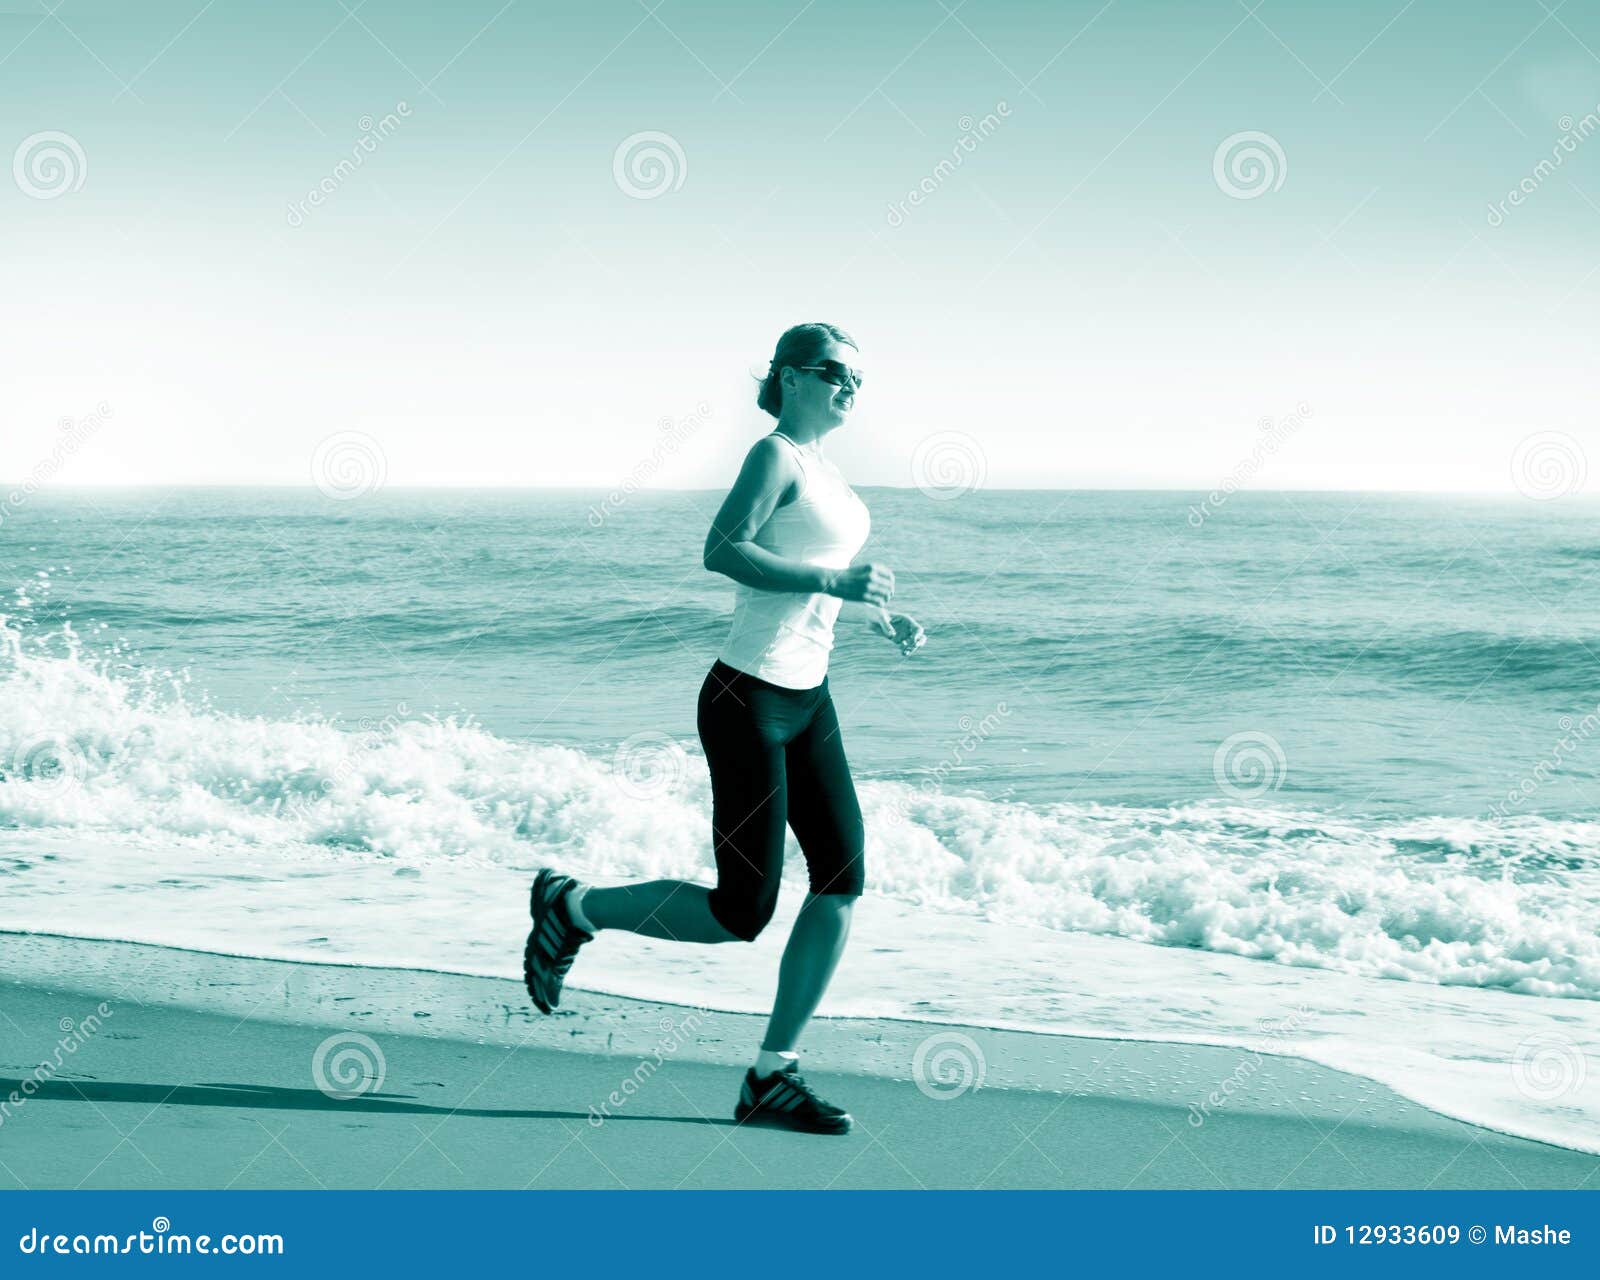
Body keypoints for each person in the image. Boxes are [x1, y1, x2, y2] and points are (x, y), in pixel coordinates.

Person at [522, 322, 924, 1135]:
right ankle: (575, 905)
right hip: (749, 700)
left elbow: (817, 587)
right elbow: (722, 549)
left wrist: (877, 614)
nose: (849, 387)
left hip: (808, 697)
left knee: (842, 880)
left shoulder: (828, 473)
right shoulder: (774, 456)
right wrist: (835, 579)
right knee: (743, 913)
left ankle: (773, 1074)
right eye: (834, 372)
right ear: (790, 377)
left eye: (857, 377)